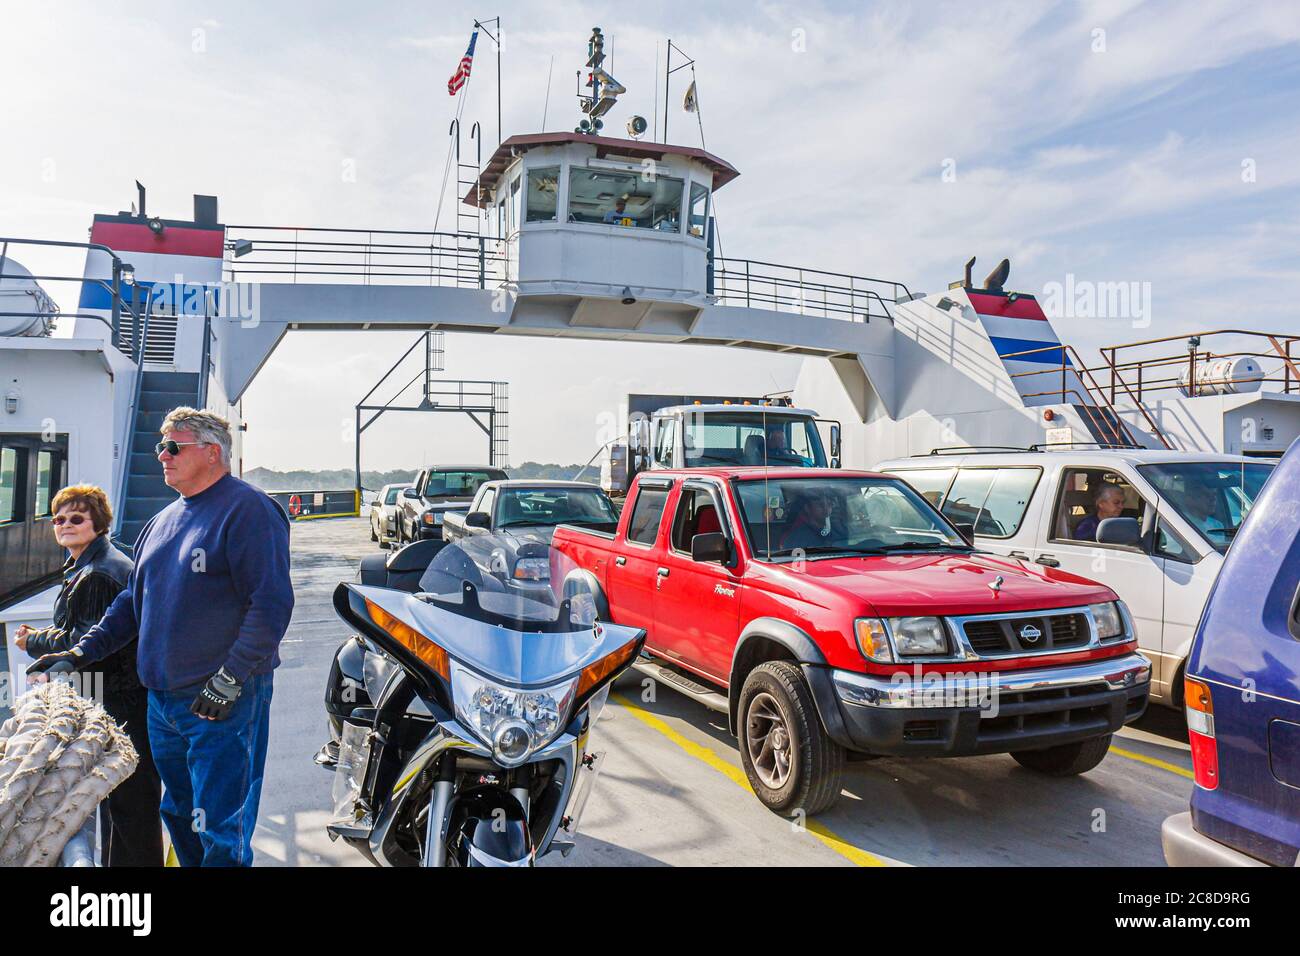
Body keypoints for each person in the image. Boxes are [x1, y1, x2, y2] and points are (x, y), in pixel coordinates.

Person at [29, 407, 294, 867]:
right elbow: (131, 605)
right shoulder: (161, 521)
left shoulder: (249, 510)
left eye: (174, 446)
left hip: (222, 698)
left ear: (213, 453)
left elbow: (270, 605)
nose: (162, 456)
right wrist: (77, 653)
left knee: (219, 824)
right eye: (160, 446)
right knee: (178, 812)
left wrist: (230, 678)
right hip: (163, 703)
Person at [16, 485, 163, 866]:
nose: (65, 525)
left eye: (76, 518)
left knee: (128, 801)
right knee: (123, 798)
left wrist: (34, 641)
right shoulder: (92, 564)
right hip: (124, 695)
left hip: (120, 699)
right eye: (59, 519)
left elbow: (86, 638)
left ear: (98, 524)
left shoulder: (97, 573)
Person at [779, 487, 836, 551]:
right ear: (807, 508)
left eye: (829, 504)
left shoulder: (837, 530)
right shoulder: (797, 537)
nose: (826, 509)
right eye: (820, 505)